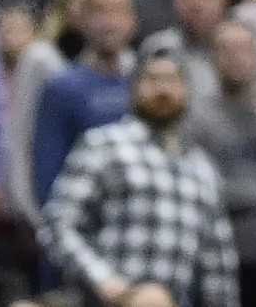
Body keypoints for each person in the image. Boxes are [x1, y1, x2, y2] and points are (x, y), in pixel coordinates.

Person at [39, 51, 239, 307]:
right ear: (132, 91)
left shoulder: (201, 168)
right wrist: (105, 281)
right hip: (105, 300)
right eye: (152, 80)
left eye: (172, 81)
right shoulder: (103, 145)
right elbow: (58, 224)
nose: (163, 90)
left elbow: (218, 261)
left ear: (186, 92)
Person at [184, 18, 256, 307]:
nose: (236, 59)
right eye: (227, 50)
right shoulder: (197, 117)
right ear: (213, 58)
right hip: (223, 255)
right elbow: (210, 190)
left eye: (244, 50)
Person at [31, 0, 138, 208]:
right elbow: (47, 170)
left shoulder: (147, 82)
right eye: (100, 13)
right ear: (82, 22)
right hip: (84, 214)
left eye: (118, 13)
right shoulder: (62, 87)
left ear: (132, 22)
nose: (109, 24)